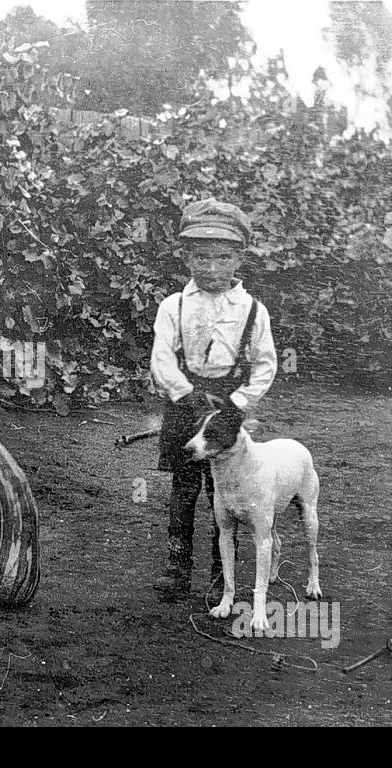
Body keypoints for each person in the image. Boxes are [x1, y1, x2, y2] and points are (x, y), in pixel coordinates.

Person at [149, 199, 277, 601]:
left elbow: (265, 365)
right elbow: (162, 358)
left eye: (223, 257)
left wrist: (237, 403)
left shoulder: (253, 311)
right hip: (185, 405)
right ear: (186, 256)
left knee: (228, 492)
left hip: (227, 411)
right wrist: (185, 395)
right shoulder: (175, 305)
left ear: (240, 257)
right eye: (201, 257)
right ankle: (177, 565)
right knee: (183, 489)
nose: (211, 267)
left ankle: (223, 575)